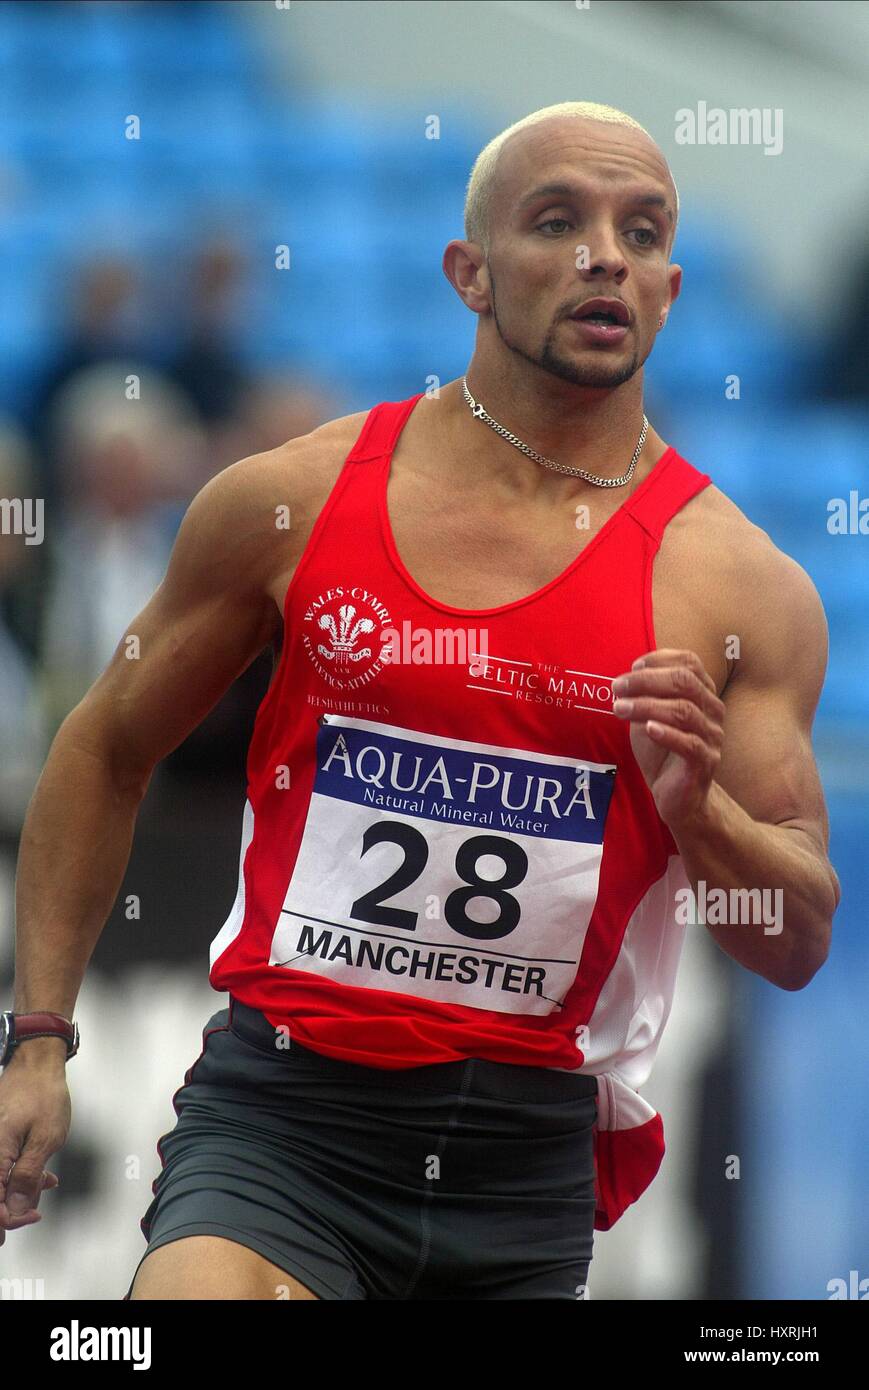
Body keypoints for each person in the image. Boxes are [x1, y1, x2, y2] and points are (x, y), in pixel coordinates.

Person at [0, 102, 840, 1300]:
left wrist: (697, 812)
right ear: (469, 272)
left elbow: (797, 933)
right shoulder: (289, 503)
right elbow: (101, 748)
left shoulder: (739, 589)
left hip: (518, 1163)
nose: (605, 253)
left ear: (666, 288)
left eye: (641, 232)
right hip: (283, 1117)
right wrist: (38, 1039)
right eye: (557, 221)